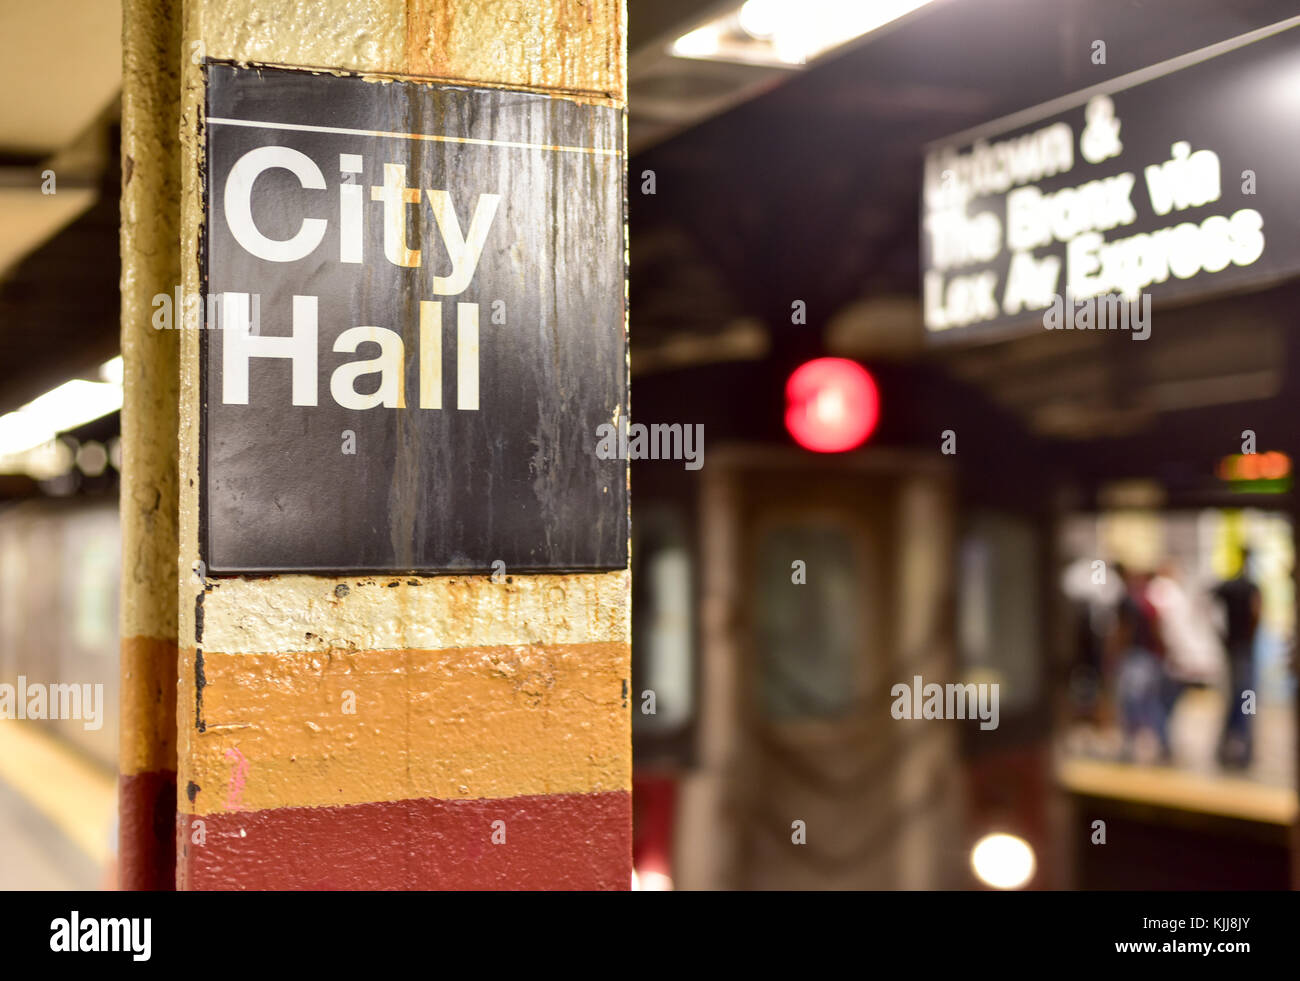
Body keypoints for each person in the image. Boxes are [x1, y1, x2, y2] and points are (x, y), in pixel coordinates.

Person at [1109, 563, 1165, 762]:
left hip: (1135, 657)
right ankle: (1152, 743)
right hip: (1147, 657)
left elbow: (1123, 631)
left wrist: (1114, 653)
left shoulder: (1129, 601)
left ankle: (1134, 744)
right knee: (1145, 702)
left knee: (1132, 701)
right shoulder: (1145, 601)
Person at [1212, 547, 1262, 769]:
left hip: (1234, 648)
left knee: (1238, 696)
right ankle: (1242, 745)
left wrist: (1221, 636)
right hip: (1243, 649)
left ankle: (1229, 743)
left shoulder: (1229, 585)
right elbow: (1256, 614)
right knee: (1245, 697)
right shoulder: (1249, 587)